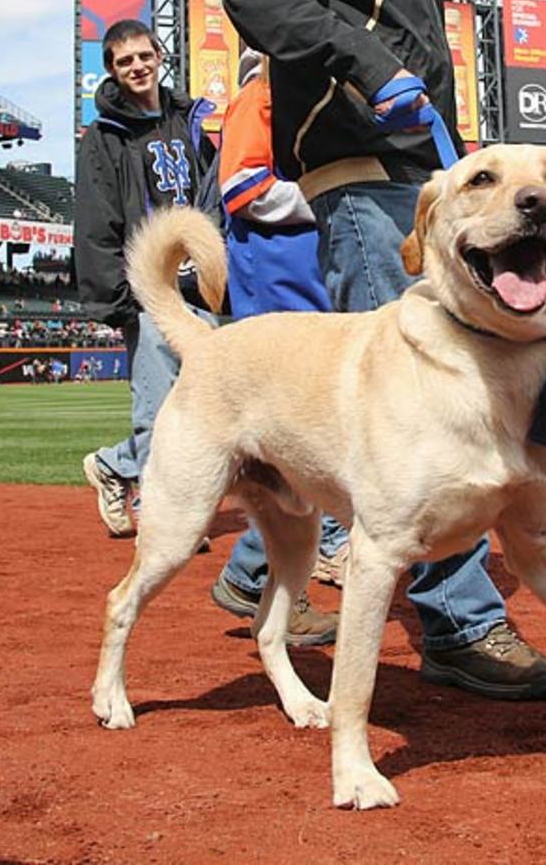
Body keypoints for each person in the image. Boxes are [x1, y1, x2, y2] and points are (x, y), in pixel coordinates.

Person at [222, 0, 546, 700]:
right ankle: (459, 623)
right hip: (365, 172)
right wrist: (373, 70)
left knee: (405, 423)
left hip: (416, 175)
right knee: (420, 422)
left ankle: (258, 569)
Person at [209, 48, 346, 645]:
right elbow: (243, 187)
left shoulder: (283, 99)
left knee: (306, 449)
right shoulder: (258, 94)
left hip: (297, 285)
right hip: (275, 286)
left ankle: (253, 573)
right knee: (294, 450)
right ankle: (258, 577)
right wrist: (326, 193)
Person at [74, 19, 219, 546]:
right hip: (148, 289)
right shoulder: (105, 136)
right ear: (111, 70)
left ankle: (115, 466)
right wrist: (118, 297)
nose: (137, 66)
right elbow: (97, 219)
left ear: (160, 55)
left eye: (144, 55)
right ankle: (166, 514)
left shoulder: (190, 120)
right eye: (124, 61)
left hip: (197, 285)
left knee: (207, 402)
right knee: (158, 404)